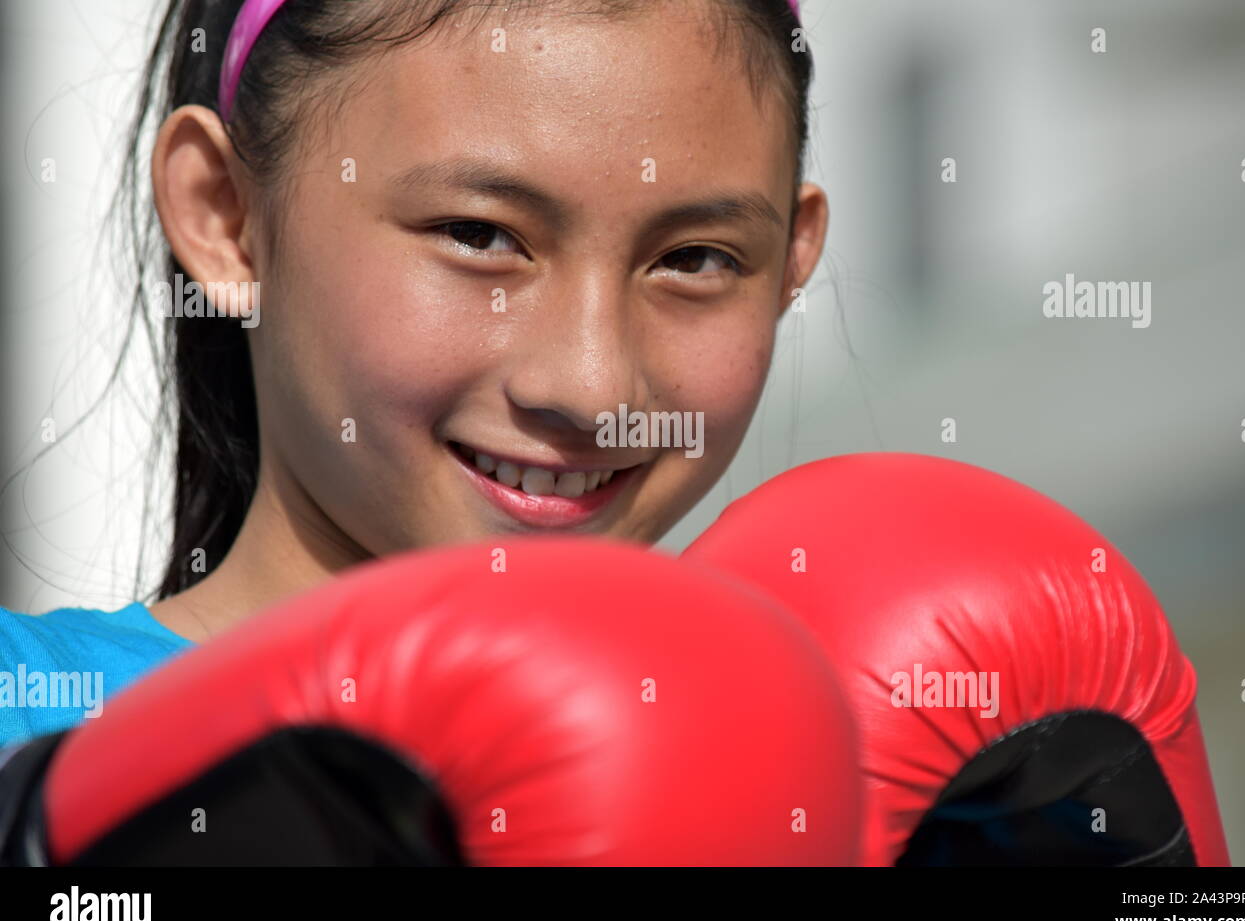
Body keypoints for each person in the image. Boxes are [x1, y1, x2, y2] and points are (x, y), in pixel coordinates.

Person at [0, 0, 821, 748]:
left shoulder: (822, 755)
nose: (593, 387)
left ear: (792, 259)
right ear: (226, 217)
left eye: (695, 259)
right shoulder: (25, 714)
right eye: (477, 235)